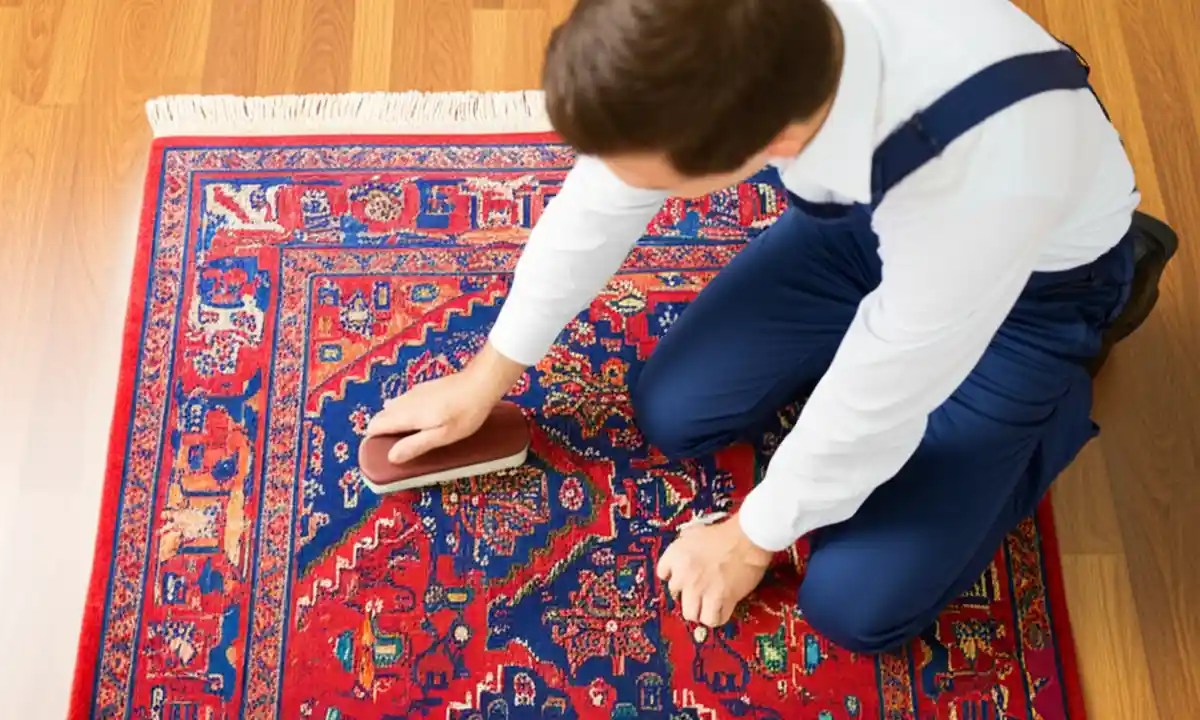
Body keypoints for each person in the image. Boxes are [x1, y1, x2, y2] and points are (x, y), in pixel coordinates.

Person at [366, 0, 1176, 652]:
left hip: (1027, 298)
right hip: (863, 224)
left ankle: (1071, 374)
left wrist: (749, 540)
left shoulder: (978, 181)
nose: (628, 185)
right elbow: (605, 194)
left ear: (770, 144)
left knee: (853, 604)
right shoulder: (740, 44)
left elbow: (887, 383)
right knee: (674, 411)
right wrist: (489, 374)